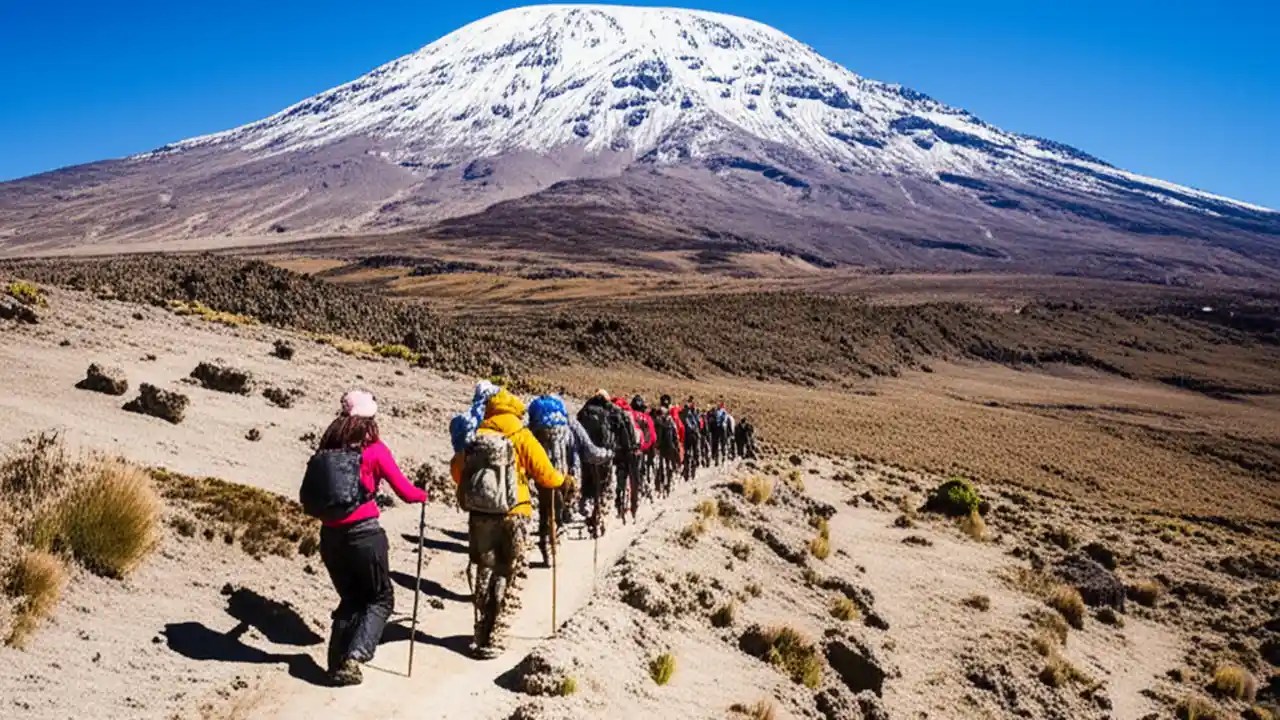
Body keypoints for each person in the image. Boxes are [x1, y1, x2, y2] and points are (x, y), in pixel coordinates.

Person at [316, 390, 427, 686]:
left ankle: (335, 663)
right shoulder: (375, 450)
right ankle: (355, 657)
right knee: (380, 599)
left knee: (350, 598)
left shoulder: (328, 447)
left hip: (330, 535)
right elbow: (405, 491)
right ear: (370, 419)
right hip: (365, 535)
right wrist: (423, 495)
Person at [451, 388, 564, 659]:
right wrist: (564, 481)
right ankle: (496, 634)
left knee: (484, 568)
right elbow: (546, 474)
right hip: (515, 514)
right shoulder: (521, 434)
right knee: (507, 570)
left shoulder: (476, 436)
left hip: (480, 515)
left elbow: (457, 472)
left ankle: (481, 630)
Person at [527, 394, 611, 566]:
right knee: (560, 507)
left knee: (545, 506)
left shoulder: (534, 427)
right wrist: (607, 454)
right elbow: (589, 451)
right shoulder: (570, 423)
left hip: (540, 475)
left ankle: (546, 541)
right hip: (564, 477)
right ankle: (554, 539)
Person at [652, 395, 683, 498]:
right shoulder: (671, 418)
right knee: (669, 465)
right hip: (669, 446)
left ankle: (659, 487)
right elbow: (676, 433)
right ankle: (668, 486)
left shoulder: (656, 417)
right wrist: (677, 446)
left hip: (658, 446)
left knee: (659, 466)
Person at [680, 399, 703, 482]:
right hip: (693, 435)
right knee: (695, 451)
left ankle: (687, 470)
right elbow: (699, 424)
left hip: (686, 436)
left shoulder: (682, 414)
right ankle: (694, 467)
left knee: (687, 452)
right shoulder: (693, 414)